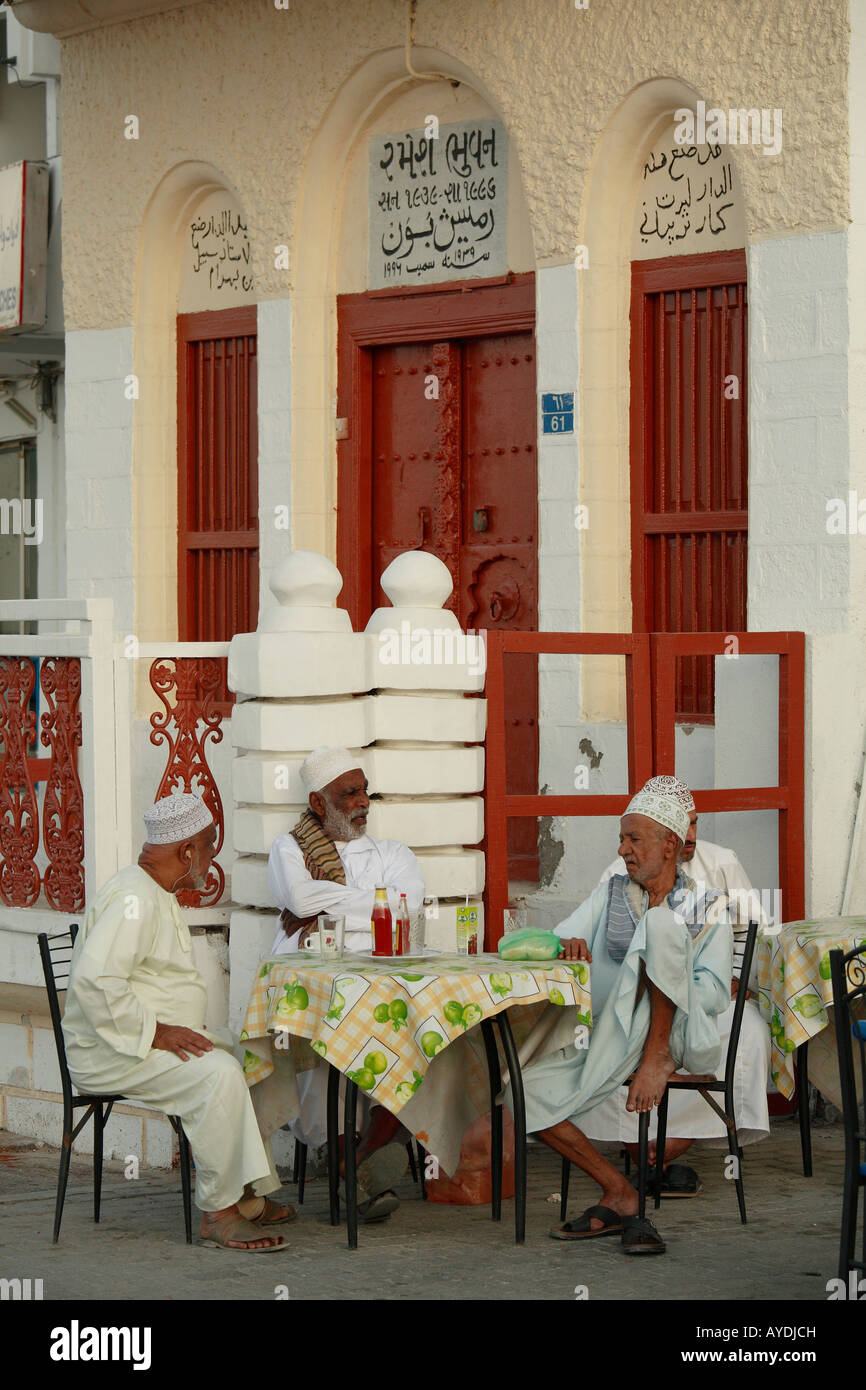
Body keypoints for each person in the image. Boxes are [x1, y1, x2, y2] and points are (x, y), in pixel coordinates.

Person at [62, 793, 295, 1252]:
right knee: (219, 1076)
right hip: (113, 1052)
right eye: (209, 845)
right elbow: (96, 978)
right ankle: (219, 1213)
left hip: (144, 1044)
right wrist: (156, 1032)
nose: (213, 856)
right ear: (187, 851)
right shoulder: (135, 898)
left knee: (254, 1056)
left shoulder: (151, 890)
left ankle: (248, 1195)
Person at [510, 781, 734, 1254]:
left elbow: (714, 992)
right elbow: (561, 938)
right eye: (622, 838)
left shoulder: (708, 907)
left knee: (659, 926)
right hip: (605, 1033)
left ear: (669, 843)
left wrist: (660, 968)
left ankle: (655, 1058)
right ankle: (621, 1193)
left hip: (674, 1037)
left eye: (634, 838)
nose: (622, 849)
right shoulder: (612, 893)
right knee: (520, 1092)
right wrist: (568, 944)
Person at [268, 747, 425, 1219]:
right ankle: (355, 1172)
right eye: (349, 793)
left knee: (412, 1050)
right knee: (322, 1061)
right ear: (319, 803)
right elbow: (298, 897)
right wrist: (374, 905)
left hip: (384, 984)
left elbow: (407, 907)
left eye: (364, 790)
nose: (363, 801)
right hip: (316, 988)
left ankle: (354, 1169)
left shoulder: (394, 853)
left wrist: (329, 906)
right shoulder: (289, 848)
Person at [594, 775, 771, 1190]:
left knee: (747, 1036)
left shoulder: (722, 861)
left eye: (694, 823)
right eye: (681, 824)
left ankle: (677, 1140)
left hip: (711, 997)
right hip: (640, 1000)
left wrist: (735, 977)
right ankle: (640, 1143)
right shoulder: (619, 871)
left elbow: (752, 929)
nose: (689, 834)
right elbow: (607, 942)